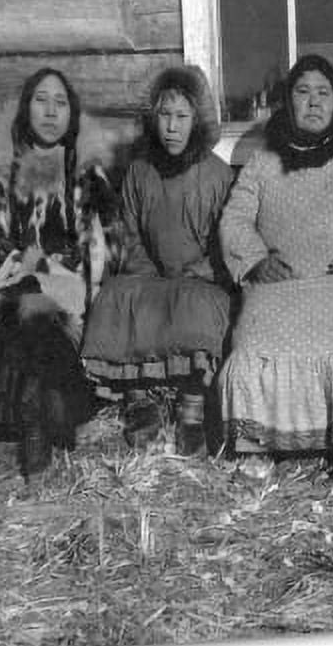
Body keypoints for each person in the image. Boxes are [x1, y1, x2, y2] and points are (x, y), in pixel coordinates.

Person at [0, 67, 108, 493]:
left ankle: (21, 431)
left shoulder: (84, 179)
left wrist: (46, 275)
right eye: (41, 100)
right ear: (26, 108)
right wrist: (17, 270)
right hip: (5, 286)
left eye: (60, 102)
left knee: (32, 306)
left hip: (61, 295)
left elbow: (98, 254)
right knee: (10, 309)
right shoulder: (0, 174)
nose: (50, 111)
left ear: (72, 115)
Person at [217, 54, 333, 465]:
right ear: (288, 102)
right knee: (250, 342)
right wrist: (257, 260)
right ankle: (255, 446)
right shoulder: (264, 161)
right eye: (302, 92)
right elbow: (237, 217)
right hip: (279, 283)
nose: (313, 102)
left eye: (323, 93)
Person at [79, 65, 235, 451]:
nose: (171, 127)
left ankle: (192, 409)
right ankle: (140, 400)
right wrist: (145, 271)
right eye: (165, 116)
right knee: (117, 297)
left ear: (197, 120)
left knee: (195, 307)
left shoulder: (216, 176)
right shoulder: (140, 171)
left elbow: (228, 239)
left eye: (182, 117)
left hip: (203, 276)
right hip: (152, 272)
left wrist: (199, 270)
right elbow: (130, 232)